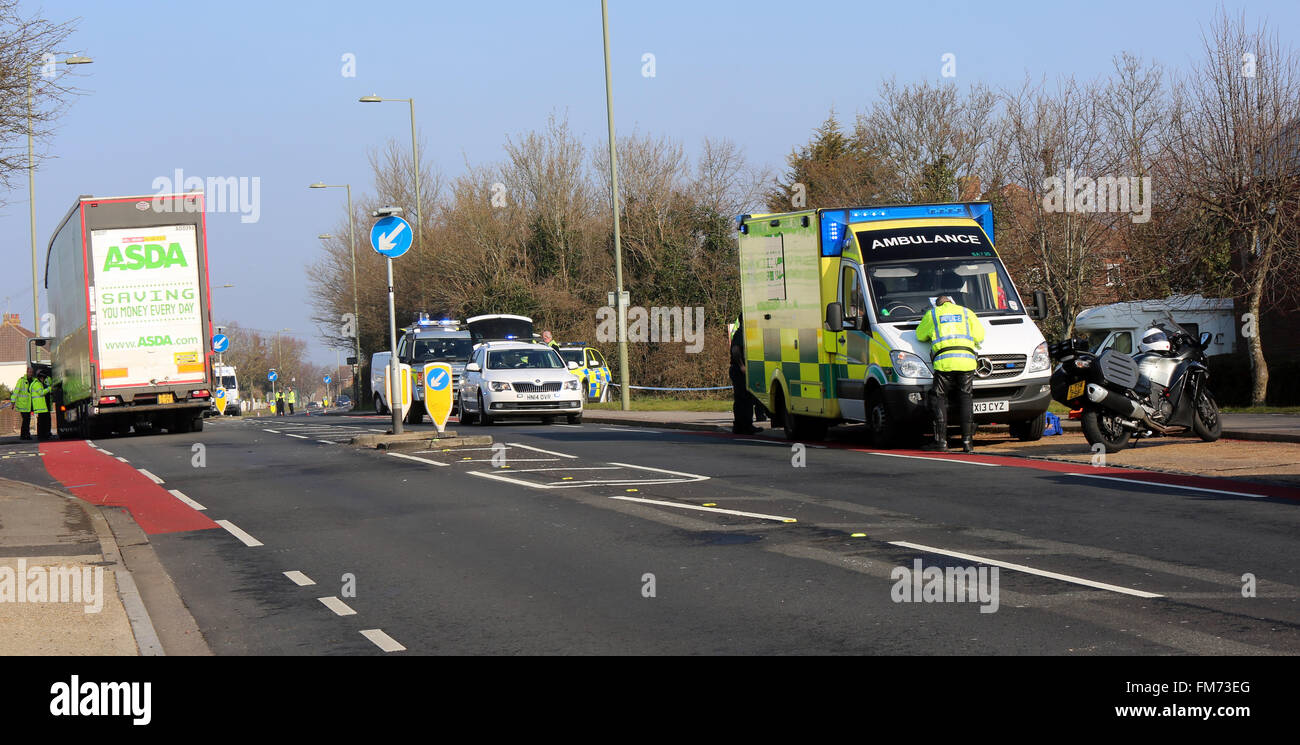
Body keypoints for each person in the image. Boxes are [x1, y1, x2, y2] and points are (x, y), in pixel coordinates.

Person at [915, 294, 985, 453]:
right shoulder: (967, 312)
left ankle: (941, 443)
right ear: (952, 302)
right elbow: (980, 336)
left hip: (944, 361)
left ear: (937, 304)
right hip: (967, 360)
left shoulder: (933, 314)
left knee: (938, 396)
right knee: (966, 397)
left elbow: (920, 335)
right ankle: (968, 443)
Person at [729, 323, 761, 435]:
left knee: (744, 399)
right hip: (739, 370)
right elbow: (736, 349)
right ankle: (744, 425)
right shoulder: (741, 333)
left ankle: (741, 425)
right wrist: (742, 366)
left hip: (739, 369)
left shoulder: (743, 332)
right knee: (744, 398)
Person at [13, 366, 35, 440]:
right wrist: (13, 401)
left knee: (27, 420)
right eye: (29, 372)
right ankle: (25, 435)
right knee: (26, 420)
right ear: (27, 372)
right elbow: (16, 391)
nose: (30, 373)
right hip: (23, 405)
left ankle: (24, 435)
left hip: (29, 405)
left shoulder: (34, 380)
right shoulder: (21, 380)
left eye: (32, 372)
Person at [32, 369, 52, 440]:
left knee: (43, 421)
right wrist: (49, 388)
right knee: (41, 422)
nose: (44, 380)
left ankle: (43, 435)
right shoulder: (36, 384)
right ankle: (41, 436)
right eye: (43, 378)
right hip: (40, 406)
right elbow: (41, 393)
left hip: (42, 406)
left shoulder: (38, 383)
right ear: (41, 378)